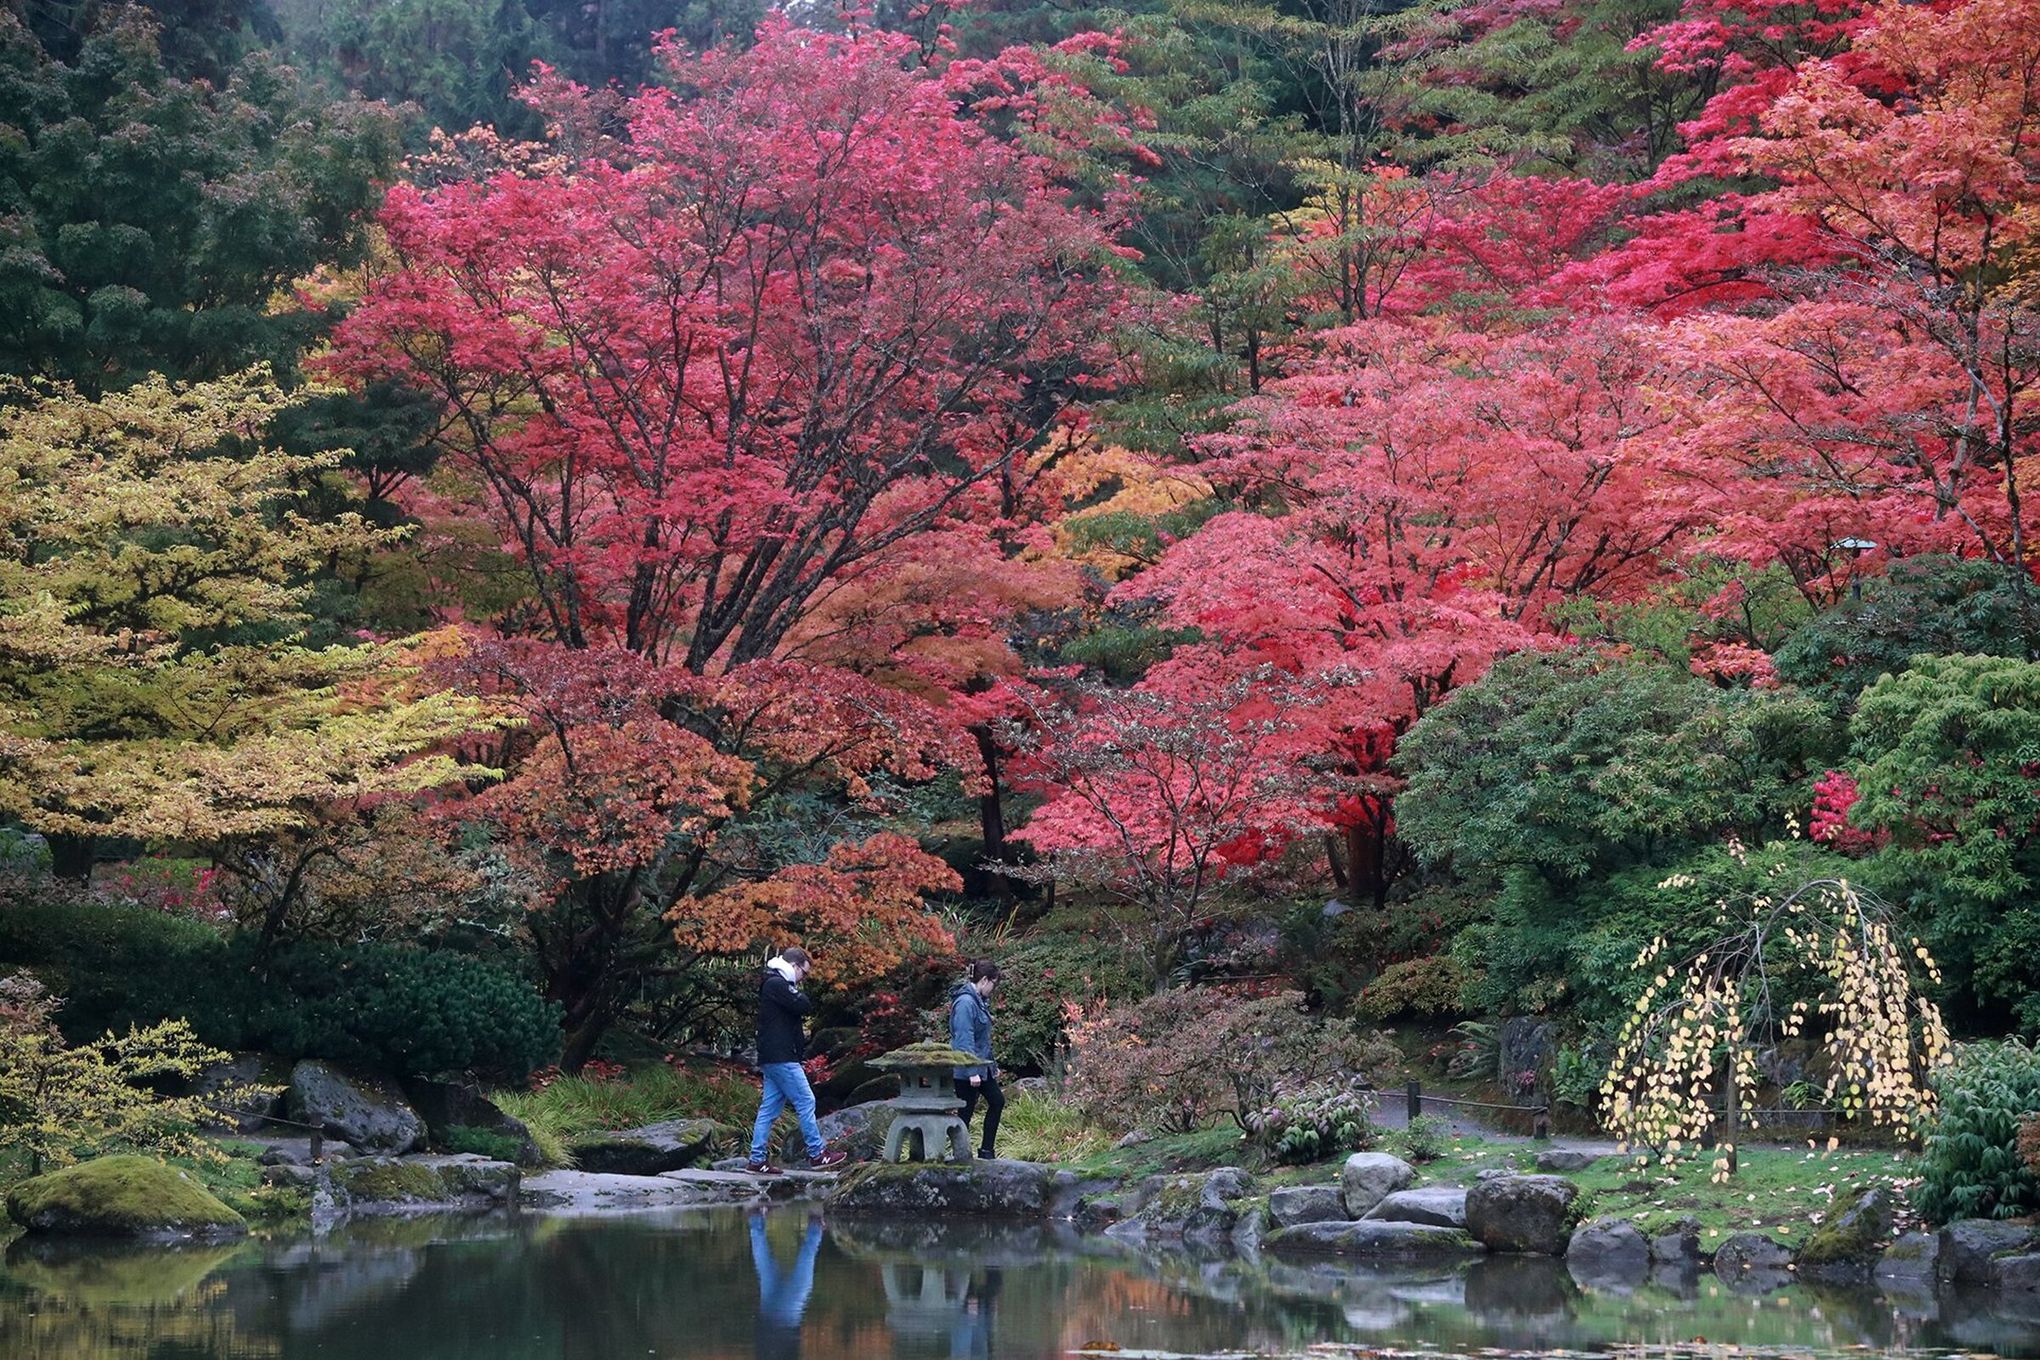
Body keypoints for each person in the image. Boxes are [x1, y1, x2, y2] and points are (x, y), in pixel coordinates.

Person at [747, 947, 848, 1174]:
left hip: (773, 1056)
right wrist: (796, 993)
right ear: (795, 965)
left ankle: (757, 1160)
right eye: (805, 973)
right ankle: (817, 1154)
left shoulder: (774, 983)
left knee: (769, 1108)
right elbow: (804, 1005)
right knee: (806, 1100)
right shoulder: (777, 984)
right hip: (782, 1056)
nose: (804, 978)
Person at [948, 960, 1003, 1159]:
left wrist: (992, 1066)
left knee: (997, 1101)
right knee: (965, 1112)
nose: (993, 989)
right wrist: (971, 1071)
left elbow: (982, 1040)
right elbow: (964, 1039)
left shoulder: (978, 1001)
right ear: (984, 980)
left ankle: (987, 1151)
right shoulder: (965, 1003)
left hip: (981, 1067)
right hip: (967, 1070)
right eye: (993, 984)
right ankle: (960, 1154)